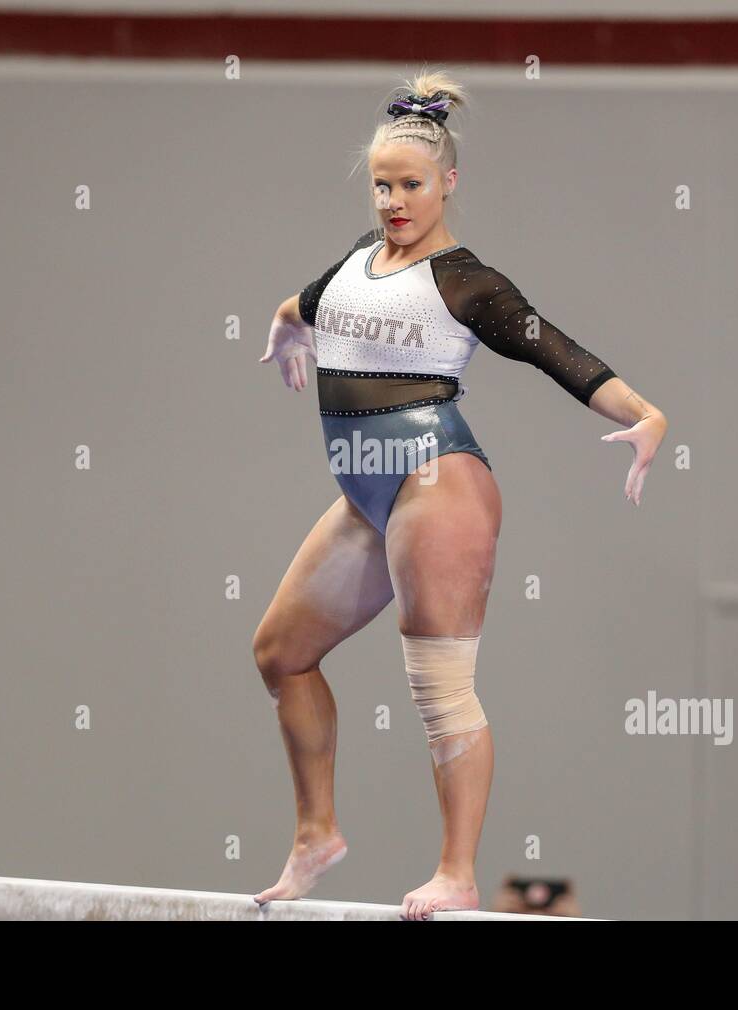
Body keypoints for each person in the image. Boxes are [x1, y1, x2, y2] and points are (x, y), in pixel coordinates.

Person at [253, 68, 667, 920]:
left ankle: (457, 872)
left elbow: (556, 350)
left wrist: (644, 413)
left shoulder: (463, 280)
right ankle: (316, 832)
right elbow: (307, 301)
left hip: (436, 481)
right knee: (280, 653)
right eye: (381, 185)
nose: (394, 200)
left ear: (447, 183)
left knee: (439, 689)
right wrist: (287, 325)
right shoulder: (358, 265)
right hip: (367, 497)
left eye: (410, 185)